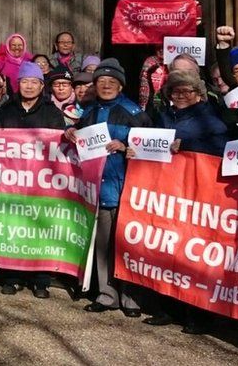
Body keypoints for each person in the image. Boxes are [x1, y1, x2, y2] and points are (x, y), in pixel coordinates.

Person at [136, 70, 227, 334]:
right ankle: (170, 309)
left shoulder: (211, 120)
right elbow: (149, 145)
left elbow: (221, 152)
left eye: (188, 91)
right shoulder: (163, 117)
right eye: (176, 92)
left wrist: (186, 145)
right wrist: (137, 150)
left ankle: (199, 316)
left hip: (198, 196)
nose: (181, 96)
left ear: (199, 95)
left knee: (195, 254)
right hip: (167, 194)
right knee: (168, 250)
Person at [66, 58, 151, 317]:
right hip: (100, 192)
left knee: (128, 246)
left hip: (127, 189)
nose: (105, 85)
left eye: (111, 81)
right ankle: (107, 293)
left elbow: (150, 148)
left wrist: (125, 147)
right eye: (101, 81)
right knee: (103, 244)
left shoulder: (134, 112)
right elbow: (78, 136)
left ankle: (131, 297)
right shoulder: (89, 111)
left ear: (120, 86)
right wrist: (70, 132)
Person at [0, 61, 65, 298]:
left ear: (41, 85)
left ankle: (40, 280)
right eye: (24, 81)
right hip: (11, 181)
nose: (29, 86)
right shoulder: (5, 111)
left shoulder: (52, 112)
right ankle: (11, 276)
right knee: (12, 228)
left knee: (40, 229)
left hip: (40, 183)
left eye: (34, 82)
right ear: (18, 84)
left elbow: (58, 145)